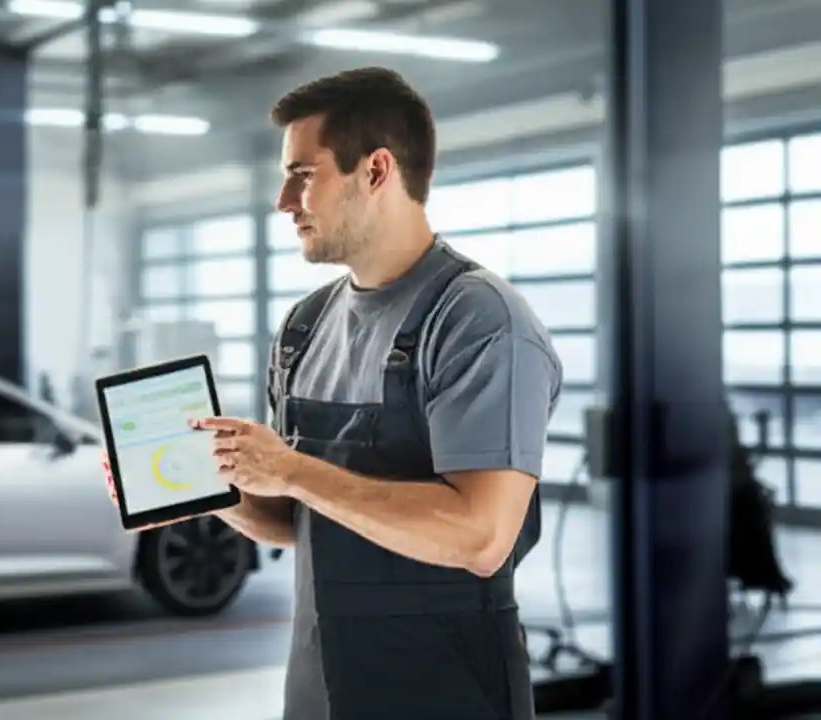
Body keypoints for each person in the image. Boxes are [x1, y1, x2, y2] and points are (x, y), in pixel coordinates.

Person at [108, 67, 561, 719]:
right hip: (318, 694)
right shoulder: (304, 327)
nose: (283, 202)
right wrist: (203, 488)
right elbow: (302, 522)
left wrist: (290, 468)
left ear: (375, 171)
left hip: (445, 697)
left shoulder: (477, 320)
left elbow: (480, 536)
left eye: (302, 174)